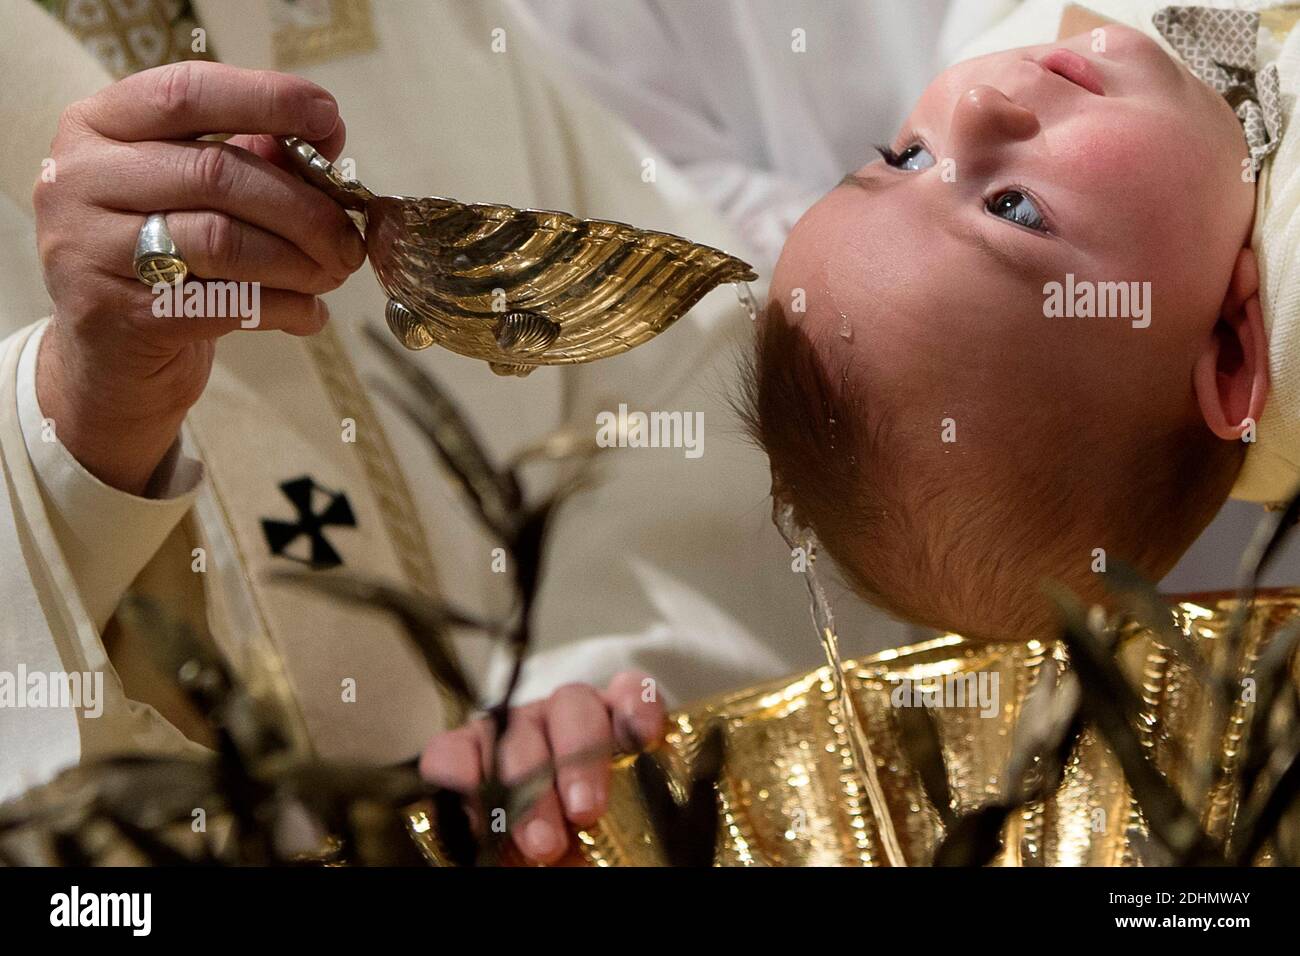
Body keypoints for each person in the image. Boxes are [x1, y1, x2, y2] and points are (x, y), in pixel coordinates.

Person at [739, 0, 1298, 645]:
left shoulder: (1041, 57)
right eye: (1016, 210)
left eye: (907, 158)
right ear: (1230, 350)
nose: (974, 104)